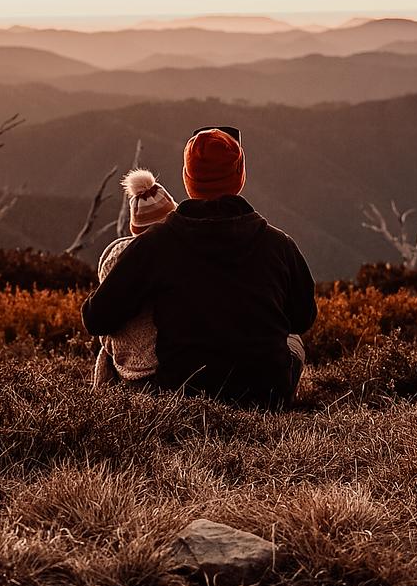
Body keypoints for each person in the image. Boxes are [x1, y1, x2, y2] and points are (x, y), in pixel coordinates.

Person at [82, 126, 317, 409]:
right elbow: (302, 318)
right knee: (293, 341)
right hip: (266, 396)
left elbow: (96, 319)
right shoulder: (280, 244)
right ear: (240, 176)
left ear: (186, 178)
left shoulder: (154, 245)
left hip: (183, 392)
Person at [92, 168, 177, 388]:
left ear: (134, 226)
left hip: (128, 365)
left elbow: (100, 317)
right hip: (169, 367)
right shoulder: (180, 253)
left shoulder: (115, 258)